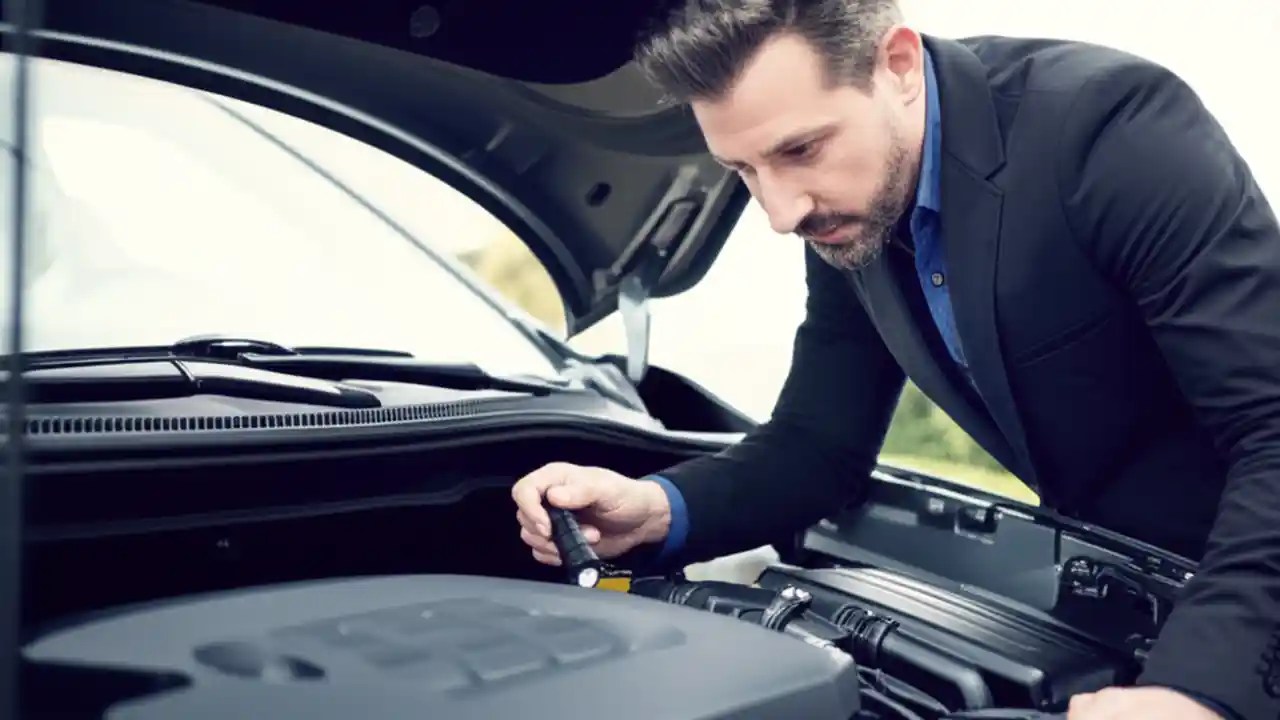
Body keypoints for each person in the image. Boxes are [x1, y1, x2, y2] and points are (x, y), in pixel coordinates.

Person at [510, 2, 1280, 718]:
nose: (781, 213)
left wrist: (1194, 690)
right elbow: (818, 445)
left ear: (899, 66)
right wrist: (657, 510)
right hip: (1117, 605)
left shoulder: (1111, 130)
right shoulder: (846, 213)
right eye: (743, 172)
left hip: (1247, 609)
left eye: (800, 149)